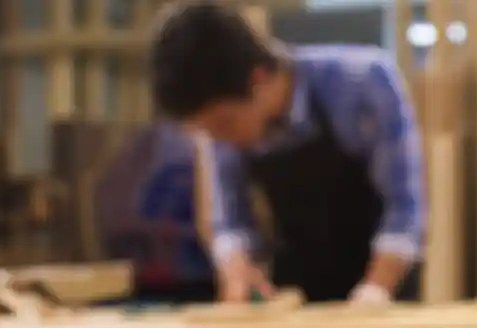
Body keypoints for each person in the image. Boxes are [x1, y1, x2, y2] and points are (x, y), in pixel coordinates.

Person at [148, 1, 425, 305]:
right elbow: (230, 222)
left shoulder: (364, 83)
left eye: (224, 124)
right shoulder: (222, 122)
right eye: (207, 132)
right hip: (299, 296)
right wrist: (237, 268)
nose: (220, 140)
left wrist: (375, 291)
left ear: (258, 78)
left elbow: (404, 210)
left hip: (384, 291)